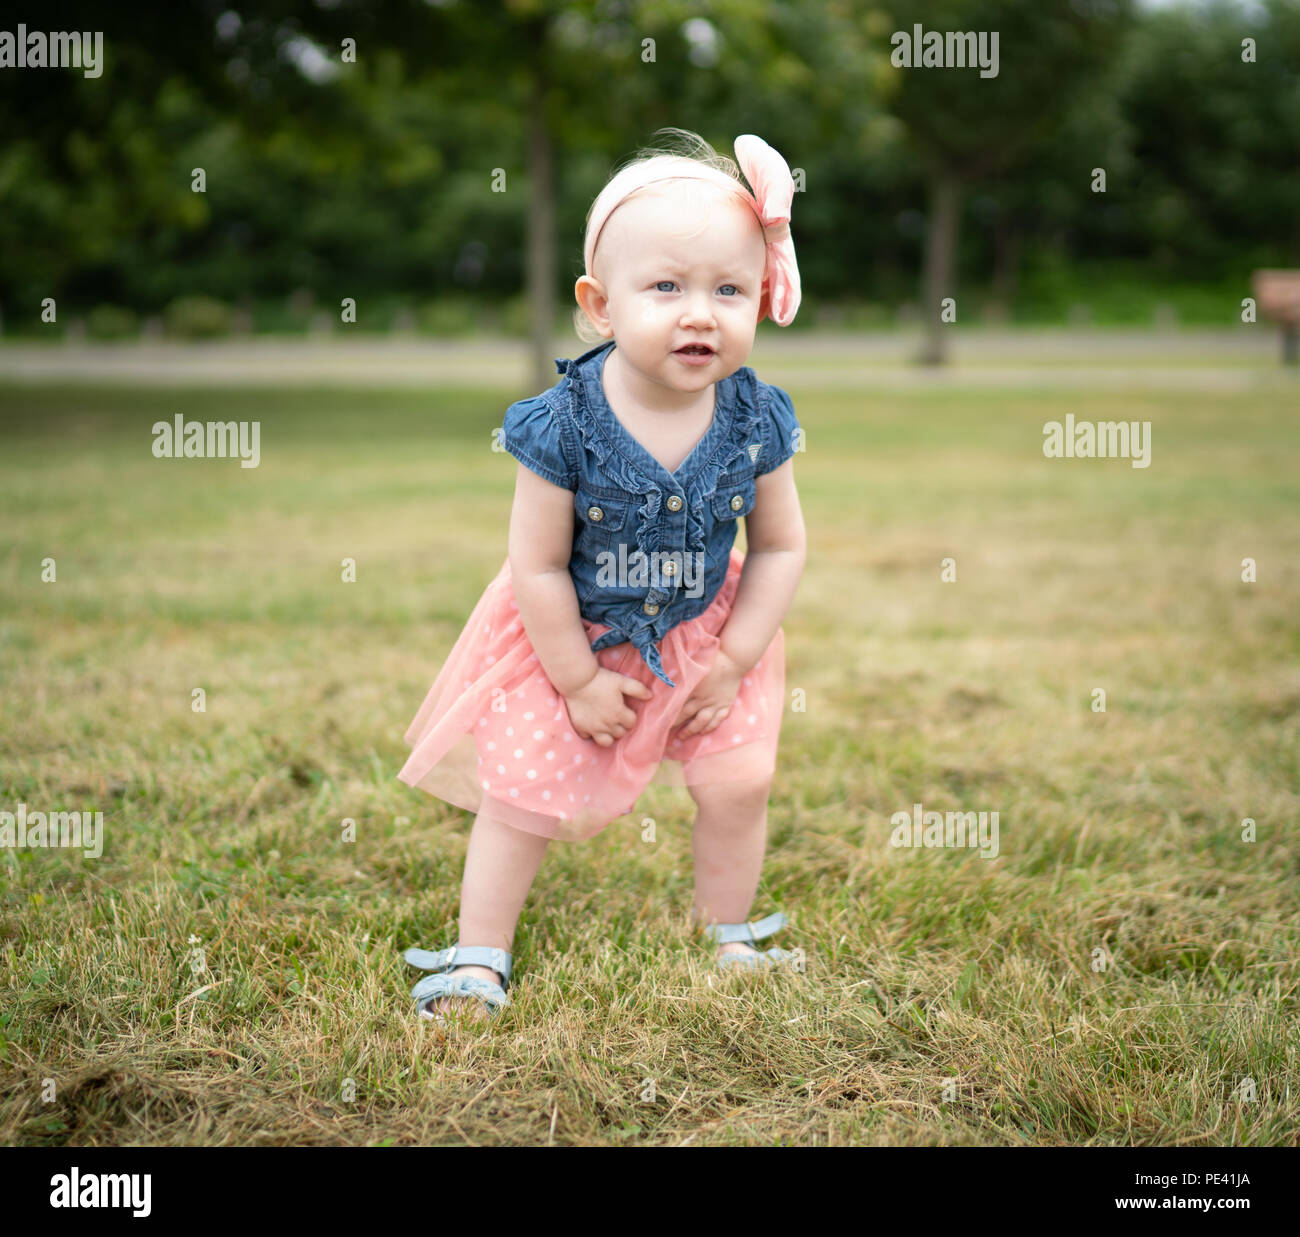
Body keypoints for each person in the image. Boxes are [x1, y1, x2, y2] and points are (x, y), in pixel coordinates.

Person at [397, 129, 807, 1023]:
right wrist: (577, 681)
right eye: (666, 286)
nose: (701, 312)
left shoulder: (756, 415)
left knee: (740, 782)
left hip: (708, 636)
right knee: (522, 798)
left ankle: (727, 930)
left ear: (762, 296)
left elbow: (779, 545)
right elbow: (535, 563)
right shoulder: (563, 423)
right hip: (570, 638)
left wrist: (736, 658)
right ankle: (479, 956)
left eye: (729, 289)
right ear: (600, 303)